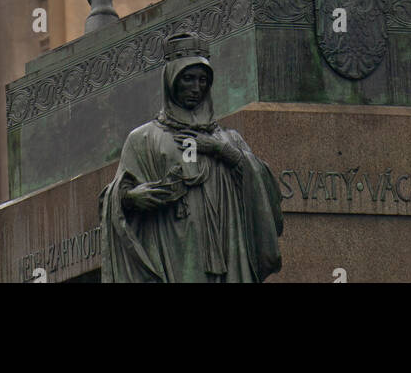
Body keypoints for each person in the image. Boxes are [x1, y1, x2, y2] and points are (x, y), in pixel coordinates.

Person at [100, 34, 282, 283]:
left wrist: (222, 152)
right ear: (171, 81)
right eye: (188, 79)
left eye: (203, 80)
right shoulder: (144, 138)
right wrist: (132, 198)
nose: (196, 88)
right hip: (176, 248)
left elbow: (264, 190)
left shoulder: (228, 139)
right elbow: (113, 199)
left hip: (228, 251)